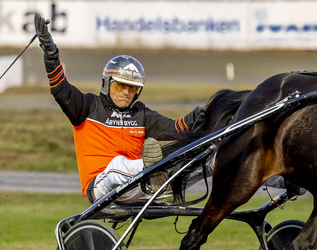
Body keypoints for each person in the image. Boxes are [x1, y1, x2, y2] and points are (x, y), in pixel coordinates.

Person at [34, 13, 204, 202]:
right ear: (107, 83)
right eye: (119, 85)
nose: (125, 92)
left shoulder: (141, 113)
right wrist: (51, 54)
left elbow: (175, 130)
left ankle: (163, 171)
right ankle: (154, 170)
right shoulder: (86, 106)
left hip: (140, 187)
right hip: (101, 186)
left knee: (197, 154)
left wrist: (197, 118)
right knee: (118, 164)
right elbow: (60, 89)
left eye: (132, 87)